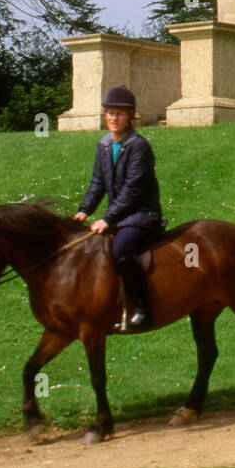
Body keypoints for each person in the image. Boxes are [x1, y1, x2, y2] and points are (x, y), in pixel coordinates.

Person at [74, 85, 166, 332]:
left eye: (120, 114)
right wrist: (84, 210)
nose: (114, 118)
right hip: (120, 217)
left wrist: (107, 218)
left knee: (121, 250)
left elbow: (133, 190)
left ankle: (144, 311)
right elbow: (98, 182)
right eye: (110, 113)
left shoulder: (139, 146)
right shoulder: (103, 145)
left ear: (130, 116)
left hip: (142, 216)